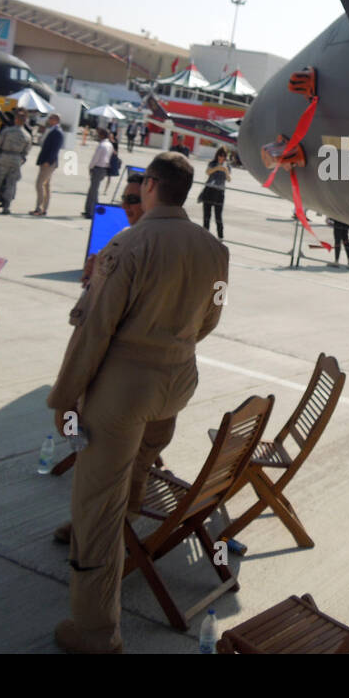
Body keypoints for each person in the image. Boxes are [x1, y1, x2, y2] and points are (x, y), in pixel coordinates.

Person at [46, 152, 229, 653]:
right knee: (141, 461)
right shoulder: (215, 249)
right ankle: (126, 521)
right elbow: (212, 317)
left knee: (95, 507)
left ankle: (95, 629)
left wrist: (64, 397)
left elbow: (94, 329)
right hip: (176, 380)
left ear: (150, 185)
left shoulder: (128, 244)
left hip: (124, 388)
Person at [0, 108, 33, 213]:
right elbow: (27, 150)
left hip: (4, 156)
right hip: (17, 158)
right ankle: (6, 207)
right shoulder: (27, 135)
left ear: (16, 120)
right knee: (11, 183)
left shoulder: (7, 131)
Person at [32, 113, 64, 216]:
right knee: (45, 185)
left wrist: (48, 161)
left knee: (40, 184)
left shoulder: (57, 132)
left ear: (56, 120)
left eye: (51, 118)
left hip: (49, 163)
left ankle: (39, 208)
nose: (48, 120)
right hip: (46, 161)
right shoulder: (51, 130)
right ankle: (43, 208)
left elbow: (55, 149)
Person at [197, 146, 230, 239]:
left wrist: (226, 171)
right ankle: (205, 236)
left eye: (223, 156)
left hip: (219, 193)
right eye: (220, 155)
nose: (221, 157)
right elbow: (207, 172)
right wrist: (217, 168)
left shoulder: (227, 166)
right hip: (209, 191)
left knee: (218, 216)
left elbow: (229, 179)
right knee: (206, 216)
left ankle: (220, 237)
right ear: (217, 155)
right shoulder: (212, 163)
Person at [83, 128, 114, 218]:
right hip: (103, 169)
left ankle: (91, 211)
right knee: (94, 190)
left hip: (97, 168)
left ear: (102, 135)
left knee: (93, 191)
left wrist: (90, 167)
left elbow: (95, 159)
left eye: (99, 134)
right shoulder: (109, 145)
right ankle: (91, 210)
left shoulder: (102, 145)